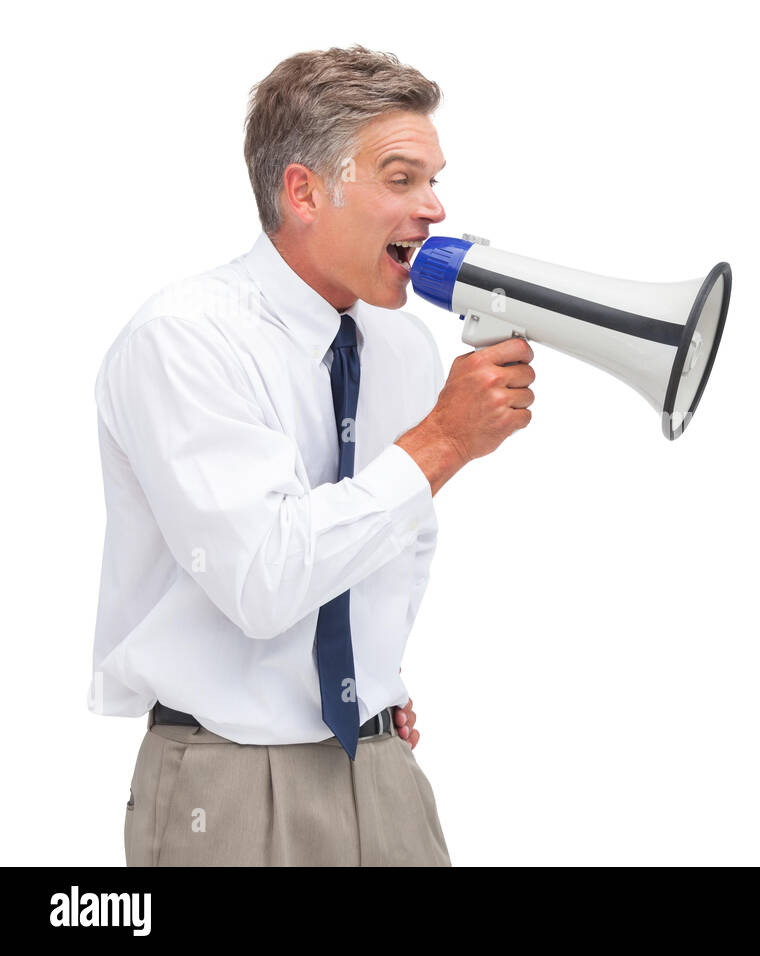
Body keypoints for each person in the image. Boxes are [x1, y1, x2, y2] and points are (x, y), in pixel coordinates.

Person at [89, 45, 536, 865]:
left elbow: (387, 559)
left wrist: (365, 684)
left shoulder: (399, 347)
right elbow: (266, 580)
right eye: (402, 180)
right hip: (227, 789)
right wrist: (440, 442)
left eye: (435, 181)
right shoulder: (186, 339)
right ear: (303, 191)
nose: (434, 209)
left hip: (378, 766)